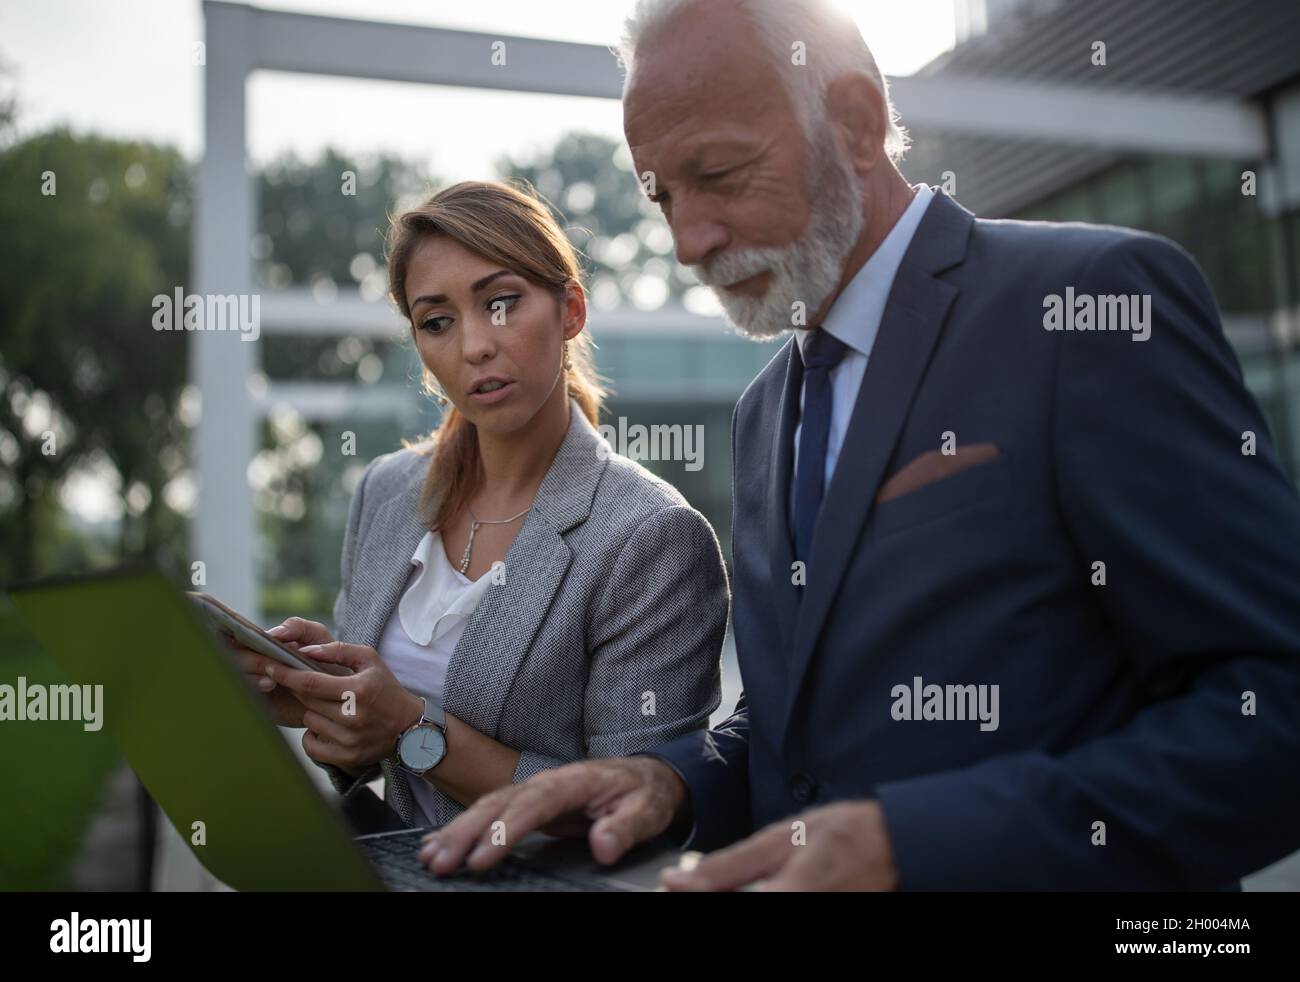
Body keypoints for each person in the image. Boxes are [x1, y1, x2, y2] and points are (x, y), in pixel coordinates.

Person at [419, 0, 1300, 890]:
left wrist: (916, 843)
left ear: (856, 123)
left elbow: (1276, 710)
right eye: (662, 194)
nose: (689, 240)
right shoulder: (763, 413)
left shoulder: (1087, 308)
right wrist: (669, 782)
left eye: (719, 173)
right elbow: (795, 726)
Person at [230, 179, 728, 829]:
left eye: (500, 304)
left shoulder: (651, 536)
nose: (473, 346)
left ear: (570, 311)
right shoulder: (386, 493)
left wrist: (412, 730)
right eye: (436, 322)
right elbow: (367, 759)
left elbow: (631, 810)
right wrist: (325, 695)